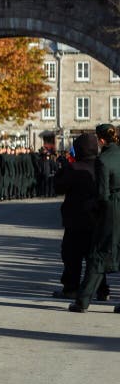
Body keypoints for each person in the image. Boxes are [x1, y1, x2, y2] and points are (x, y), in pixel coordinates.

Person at [70, 124, 120, 313]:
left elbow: (102, 194)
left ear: (100, 140)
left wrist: (95, 212)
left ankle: (83, 301)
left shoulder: (103, 160)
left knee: (98, 255)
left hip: (112, 209)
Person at [53, 133, 109, 300]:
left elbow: (59, 187)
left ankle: (71, 288)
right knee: (95, 256)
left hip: (76, 219)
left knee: (72, 255)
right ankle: (101, 289)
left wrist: (62, 170)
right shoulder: (102, 166)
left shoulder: (74, 168)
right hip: (97, 218)